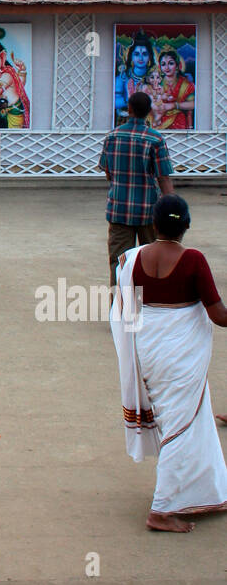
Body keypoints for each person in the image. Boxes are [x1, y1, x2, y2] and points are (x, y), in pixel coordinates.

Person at [110, 194, 227, 533]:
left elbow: (127, 314)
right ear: (186, 226)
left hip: (150, 350)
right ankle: (161, 509)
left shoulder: (132, 260)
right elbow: (218, 315)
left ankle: (206, 489)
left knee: (181, 419)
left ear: (155, 224)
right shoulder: (193, 260)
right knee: (180, 425)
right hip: (182, 356)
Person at [99, 90, 174, 287]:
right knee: (152, 262)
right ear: (149, 111)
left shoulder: (112, 137)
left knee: (119, 262)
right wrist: (173, 208)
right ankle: (151, 308)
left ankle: (122, 310)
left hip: (119, 209)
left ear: (129, 109)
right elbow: (163, 178)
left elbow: (108, 173)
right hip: (149, 212)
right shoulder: (155, 140)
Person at [148, 49, 195, 129]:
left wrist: (174, 105)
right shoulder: (157, 83)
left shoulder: (186, 84)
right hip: (158, 118)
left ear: (177, 66)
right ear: (160, 67)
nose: (167, 67)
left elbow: (193, 104)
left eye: (171, 63)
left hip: (178, 119)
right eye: (163, 64)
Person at [114, 31, 156, 121]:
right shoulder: (123, 77)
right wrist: (127, 100)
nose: (140, 58)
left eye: (144, 54)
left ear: (150, 56)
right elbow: (114, 101)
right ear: (131, 57)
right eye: (136, 54)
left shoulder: (155, 77)